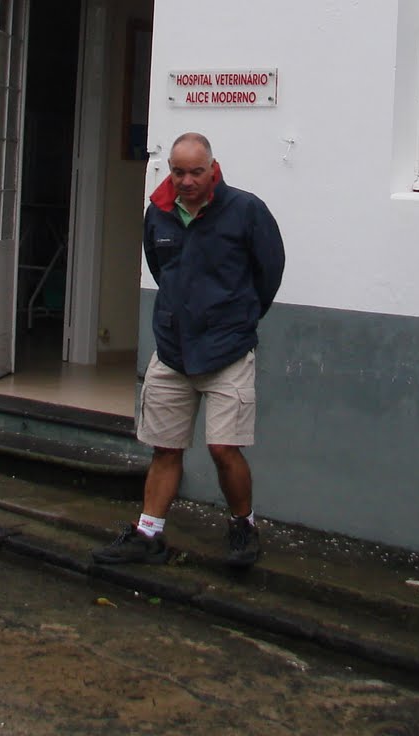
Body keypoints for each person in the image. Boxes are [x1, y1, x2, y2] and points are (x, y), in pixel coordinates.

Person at [93, 132, 284, 569]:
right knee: (165, 447)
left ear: (213, 169)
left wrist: (239, 317)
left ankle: (243, 526)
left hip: (228, 351)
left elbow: (269, 271)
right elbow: (162, 270)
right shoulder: (157, 215)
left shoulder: (245, 210)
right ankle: (149, 534)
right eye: (178, 171)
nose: (187, 181)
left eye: (196, 171)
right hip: (174, 349)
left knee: (223, 447)